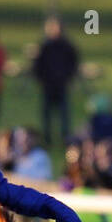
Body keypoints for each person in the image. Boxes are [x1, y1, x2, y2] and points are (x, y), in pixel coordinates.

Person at [31, 16, 79, 145]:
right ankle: (47, 139)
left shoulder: (68, 47)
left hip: (62, 85)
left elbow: (74, 64)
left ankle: (66, 138)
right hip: (48, 85)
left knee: (64, 114)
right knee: (46, 115)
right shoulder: (45, 47)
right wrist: (41, 79)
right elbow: (37, 65)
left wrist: (69, 77)